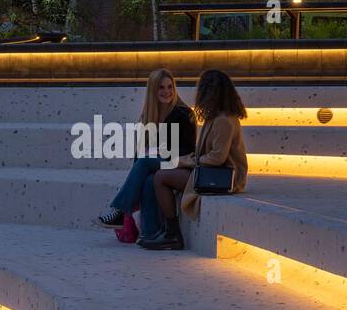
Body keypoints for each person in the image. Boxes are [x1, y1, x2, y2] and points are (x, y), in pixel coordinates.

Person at [140, 69, 248, 251]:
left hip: (223, 177)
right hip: (208, 171)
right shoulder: (215, 117)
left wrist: (185, 162)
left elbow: (217, 157)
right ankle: (160, 231)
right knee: (152, 173)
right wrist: (183, 160)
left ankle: (172, 234)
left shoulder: (224, 120)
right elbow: (203, 155)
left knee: (159, 176)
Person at [97, 69, 196, 234]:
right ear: (153, 90)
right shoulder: (148, 116)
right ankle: (150, 234)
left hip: (179, 165)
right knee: (149, 179)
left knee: (146, 162)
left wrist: (159, 152)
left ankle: (120, 211)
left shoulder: (184, 114)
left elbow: (188, 150)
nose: (167, 92)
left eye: (170, 87)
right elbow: (140, 152)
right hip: (156, 165)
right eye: (161, 87)